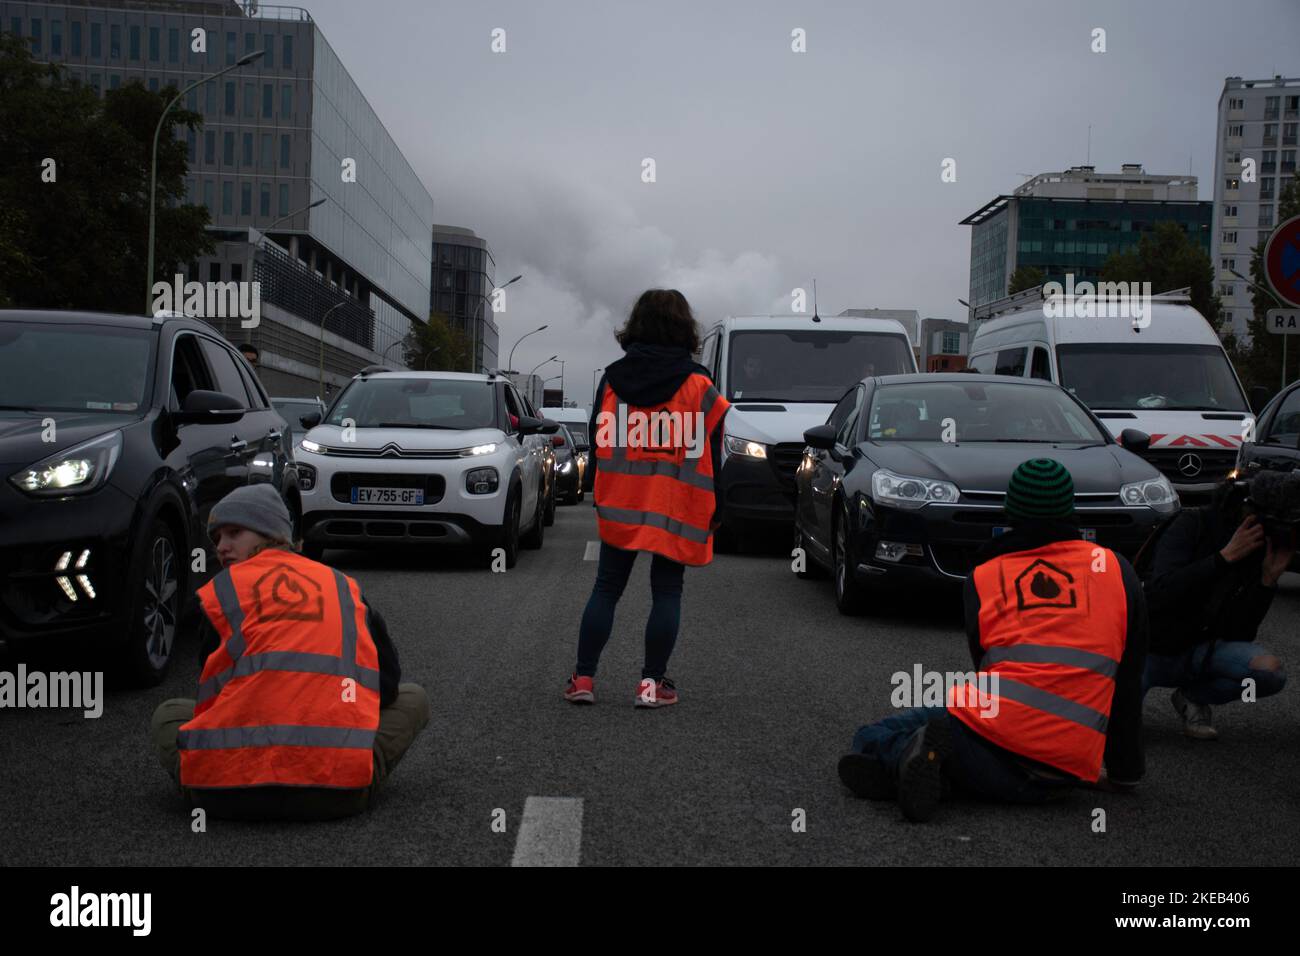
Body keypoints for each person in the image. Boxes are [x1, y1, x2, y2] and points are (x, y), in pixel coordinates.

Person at [837, 459, 1147, 821]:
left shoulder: (984, 577)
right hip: (1062, 775)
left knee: (871, 737)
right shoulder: (1116, 570)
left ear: (1010, 511)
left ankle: (916, 762)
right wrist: (1125, 773)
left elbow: (984, 664)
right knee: (949, 745)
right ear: (1071, 510)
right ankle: (932, 770)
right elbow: (1127, 681)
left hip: (996, 743)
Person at [150, 484, 430, 820]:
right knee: (414, 697)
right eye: (217, 539)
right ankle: (349, 769)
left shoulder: (223, 593)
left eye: (234, 533)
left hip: (225, 795)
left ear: (269, 534)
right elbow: (386, 684)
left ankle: (208, 773)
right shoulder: (341, 586)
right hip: (335, 794)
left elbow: (211, 696)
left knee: (168, 713)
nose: (222, 547)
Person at [564, 289, 731, 708]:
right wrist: (719, 505)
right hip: (676, 504)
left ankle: (583, 679)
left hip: (621, 500)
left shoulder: (612, 378)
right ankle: (651, 686)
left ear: (636, 325)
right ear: (683, 328)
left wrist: (596, 490)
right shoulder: (700, 384)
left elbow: (598, 442)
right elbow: (714, 449)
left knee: (606, 588)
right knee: (667, 591)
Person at [1142, 470, 1294, 740]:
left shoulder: (1258, 545)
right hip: (1148, 651)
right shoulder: (1190, 524)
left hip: (1202, 651)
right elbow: (1158, 595)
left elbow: (1241, 634)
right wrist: (1223, 559)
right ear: (1245, 507)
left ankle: (1193, 697)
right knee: (1108, 723)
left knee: (1269, 677)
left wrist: (1267, 582)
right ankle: (1121, 705)